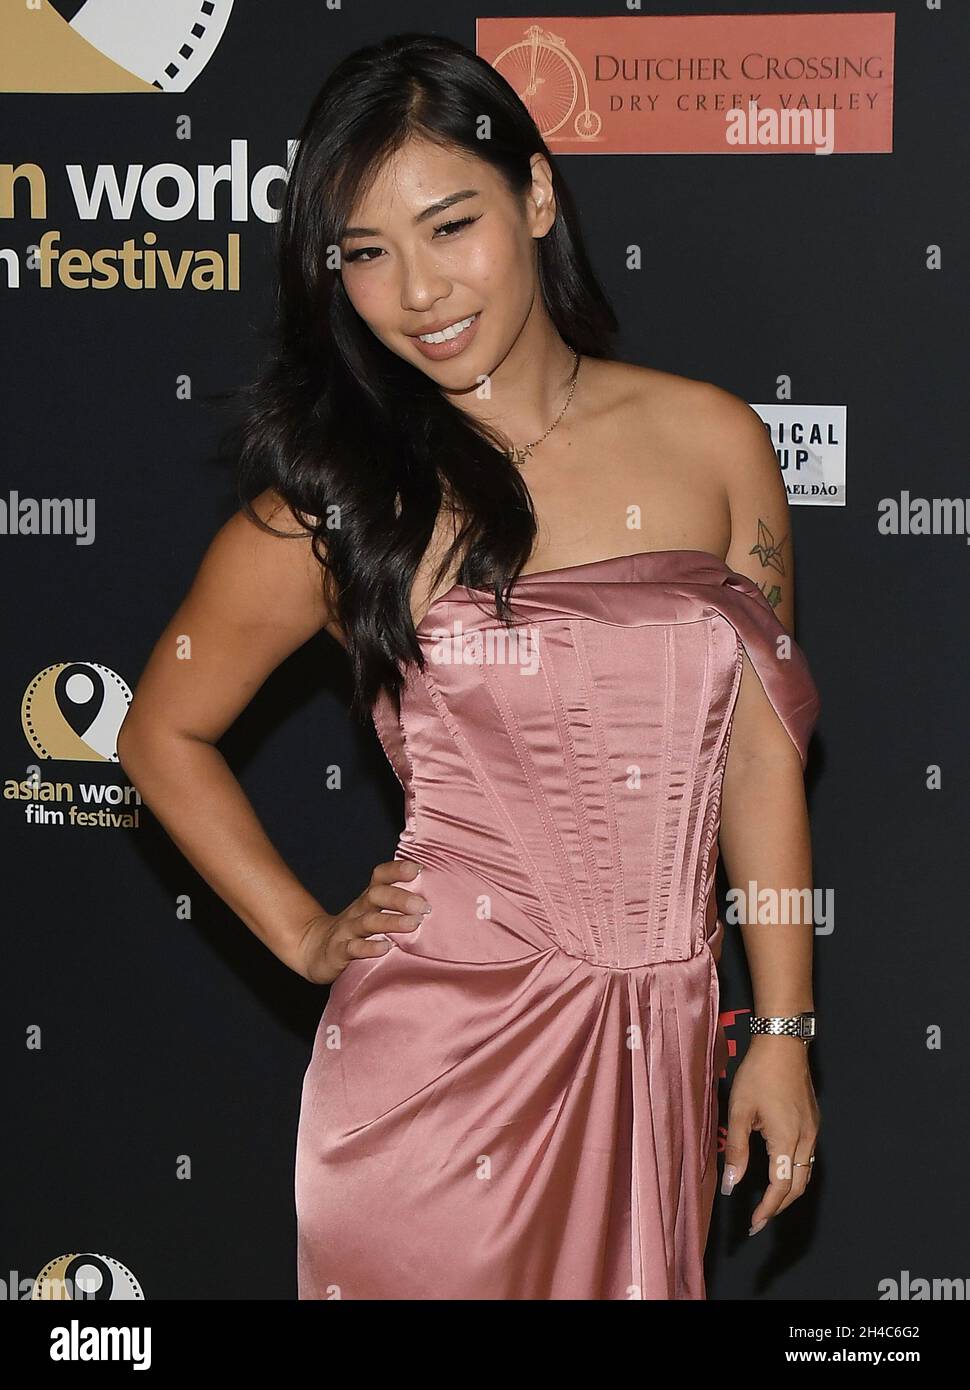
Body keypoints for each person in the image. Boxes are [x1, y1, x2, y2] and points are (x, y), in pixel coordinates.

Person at [118, 32, 822, 1300]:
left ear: (538, 197)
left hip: (653, 1043)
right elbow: (156, 731)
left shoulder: (713, 439)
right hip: (431, 1073)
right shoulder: (340, 501)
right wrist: (304, 933)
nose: (420, 290)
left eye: (450, 225)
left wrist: (778, 1026)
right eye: (367, 254)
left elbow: (761, 756)